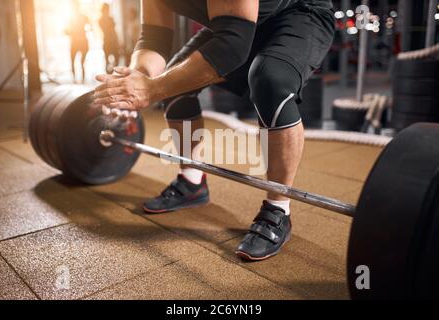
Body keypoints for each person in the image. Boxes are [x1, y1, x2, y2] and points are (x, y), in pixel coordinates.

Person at [94, 0, 335, 261]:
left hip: (298, 14)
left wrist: (151, 90)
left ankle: (278, 209)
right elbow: (154, 38)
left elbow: (231, 46)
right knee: (174, 84)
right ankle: (192, 182)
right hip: (235, 24)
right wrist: (138, 78)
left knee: (270, 81)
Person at [65, 0, 90, 84]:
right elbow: (66, 31)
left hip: (80, 42)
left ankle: (80, 80)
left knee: (80, 62)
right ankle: (76, 80)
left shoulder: (82, 17)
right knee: (75, 61)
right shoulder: (71, 18)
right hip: (77, 42)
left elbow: (90, 27)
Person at [99, 3, 120, 73]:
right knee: (107, 60)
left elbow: (114, 31)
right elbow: (104, 29)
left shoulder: (111, 19)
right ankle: (109, 73)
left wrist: (117, 41)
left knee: (117, 58)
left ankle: (112, 70)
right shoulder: (100, 20)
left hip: (113, 41)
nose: (107, 11)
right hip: (106, 42)